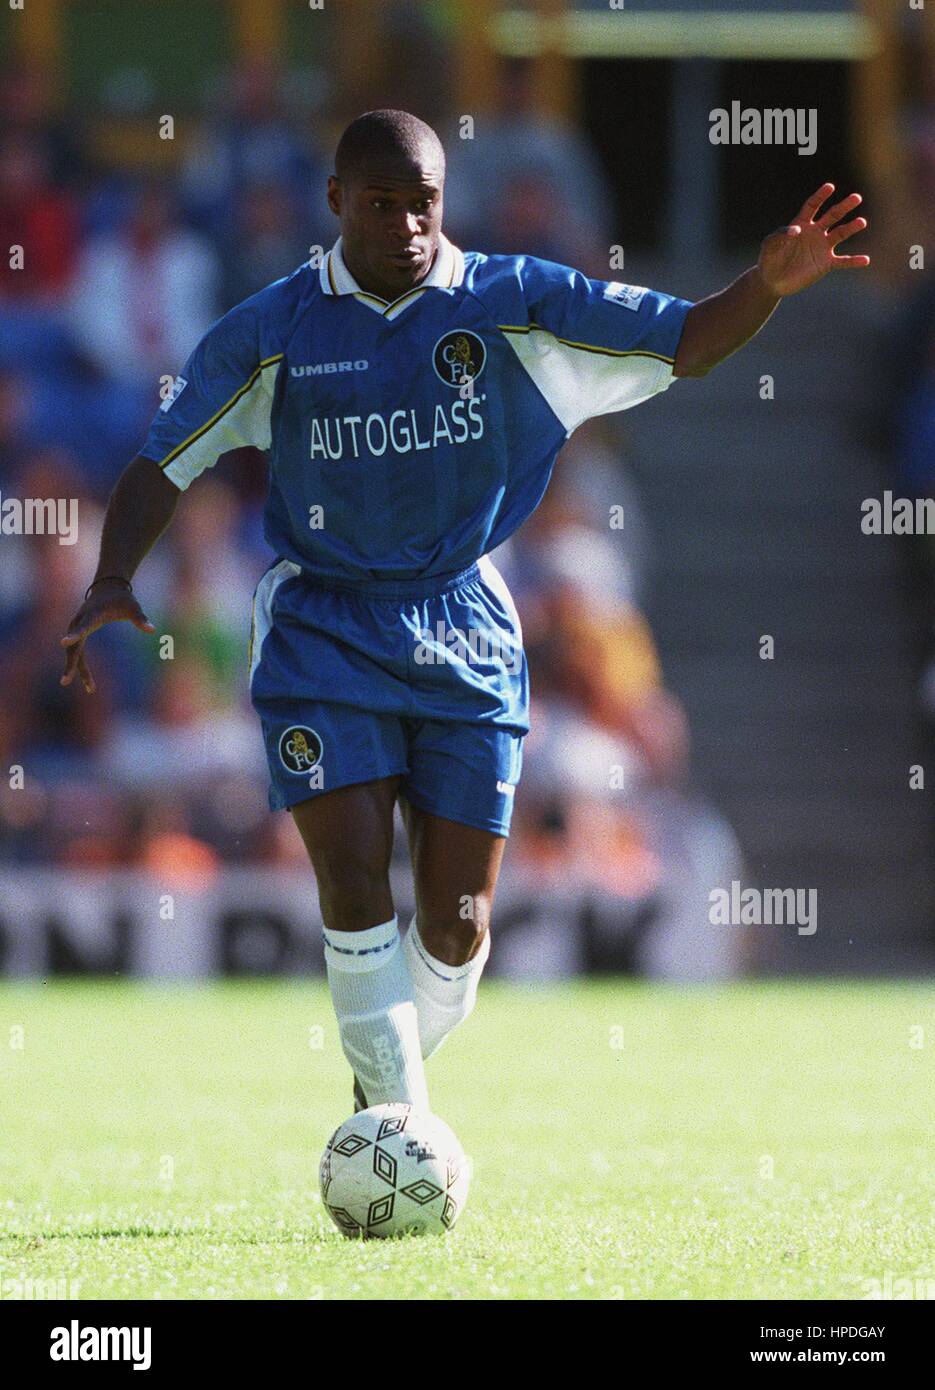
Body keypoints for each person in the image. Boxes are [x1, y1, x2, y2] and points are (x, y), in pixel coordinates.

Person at [60, 109, 869, 1118]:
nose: (405, 226)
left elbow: (685, 344)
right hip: (323, 625)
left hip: (464, 626)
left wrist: (764, 286)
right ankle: (393, 1127)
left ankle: (384, 1084)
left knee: (454, 925)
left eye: (423, 205)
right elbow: (162, 458)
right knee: (352, 884)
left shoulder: (516, 304)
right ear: (335, 204)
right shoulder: (272, 328)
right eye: (381, 205)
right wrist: (111, 574)